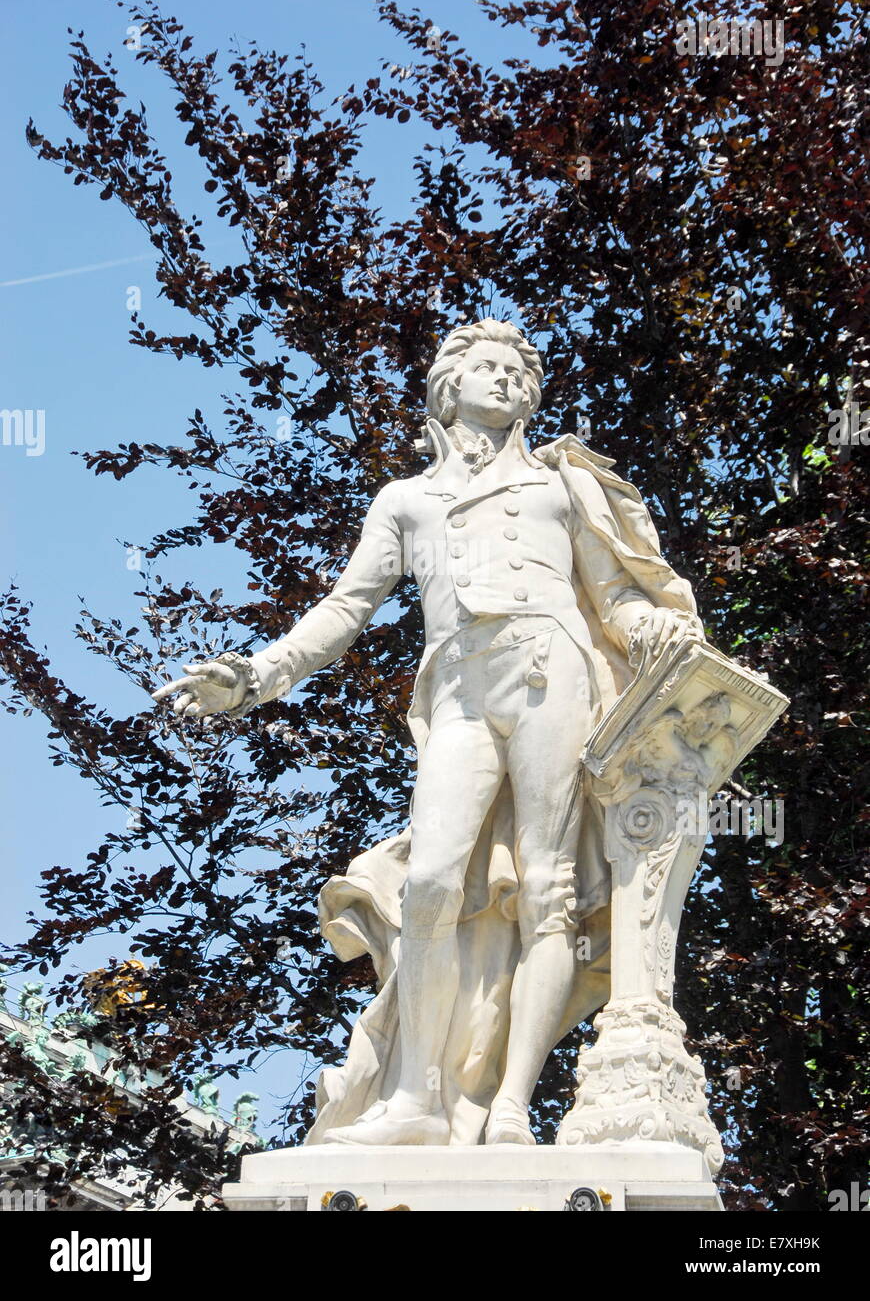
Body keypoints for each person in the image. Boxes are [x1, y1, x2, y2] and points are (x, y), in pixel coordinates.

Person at [154, 319, 704, 1146]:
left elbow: (613, 594)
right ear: (450, 387)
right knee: (432, 883)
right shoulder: (406, 500)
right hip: (459, 687)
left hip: (549, 668)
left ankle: (514, 1104)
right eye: (487, 366)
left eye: (520, 370)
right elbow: (347, 607)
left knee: (548, 888)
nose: (508, 379)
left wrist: (653, 626)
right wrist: (259, 675)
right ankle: (416, 1099)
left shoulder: (564, 484)